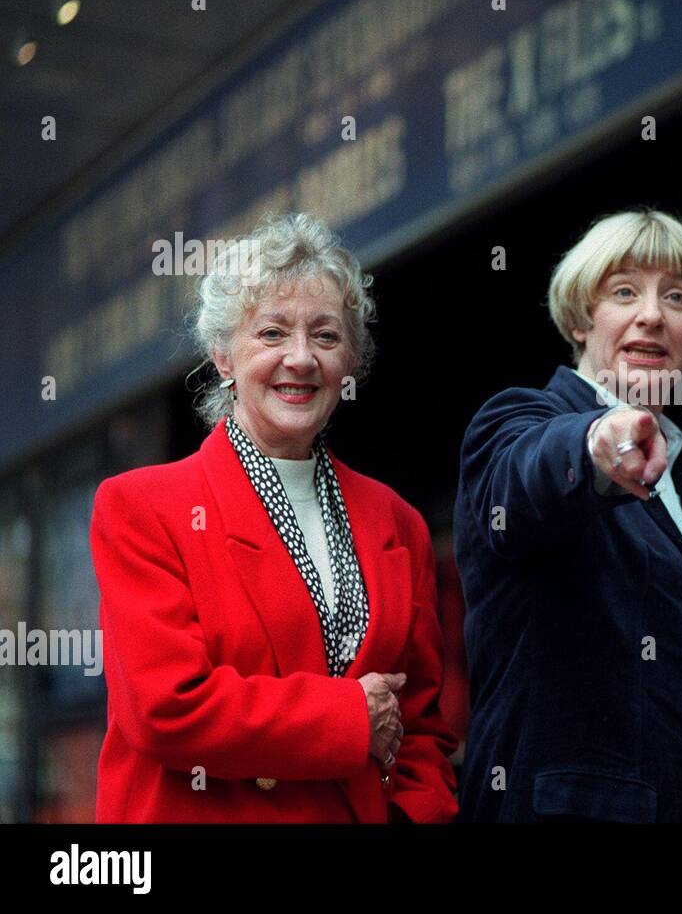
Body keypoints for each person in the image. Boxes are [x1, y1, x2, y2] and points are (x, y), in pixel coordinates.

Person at [90, 212, 458, 822]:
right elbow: (168, 708)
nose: (301, 358)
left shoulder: (399, 522)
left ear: (350, 363)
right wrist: (349, 718)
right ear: (223, 356)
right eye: (271, 333)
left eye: (326, 336)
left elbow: (422, 731)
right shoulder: (141, 507)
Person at [454, 209, 682, 822]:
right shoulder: (517, 421)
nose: (652, 315)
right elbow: (523, 481)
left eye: (676, 298)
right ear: (582, 321)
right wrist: (594, 442)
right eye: (623, 292)